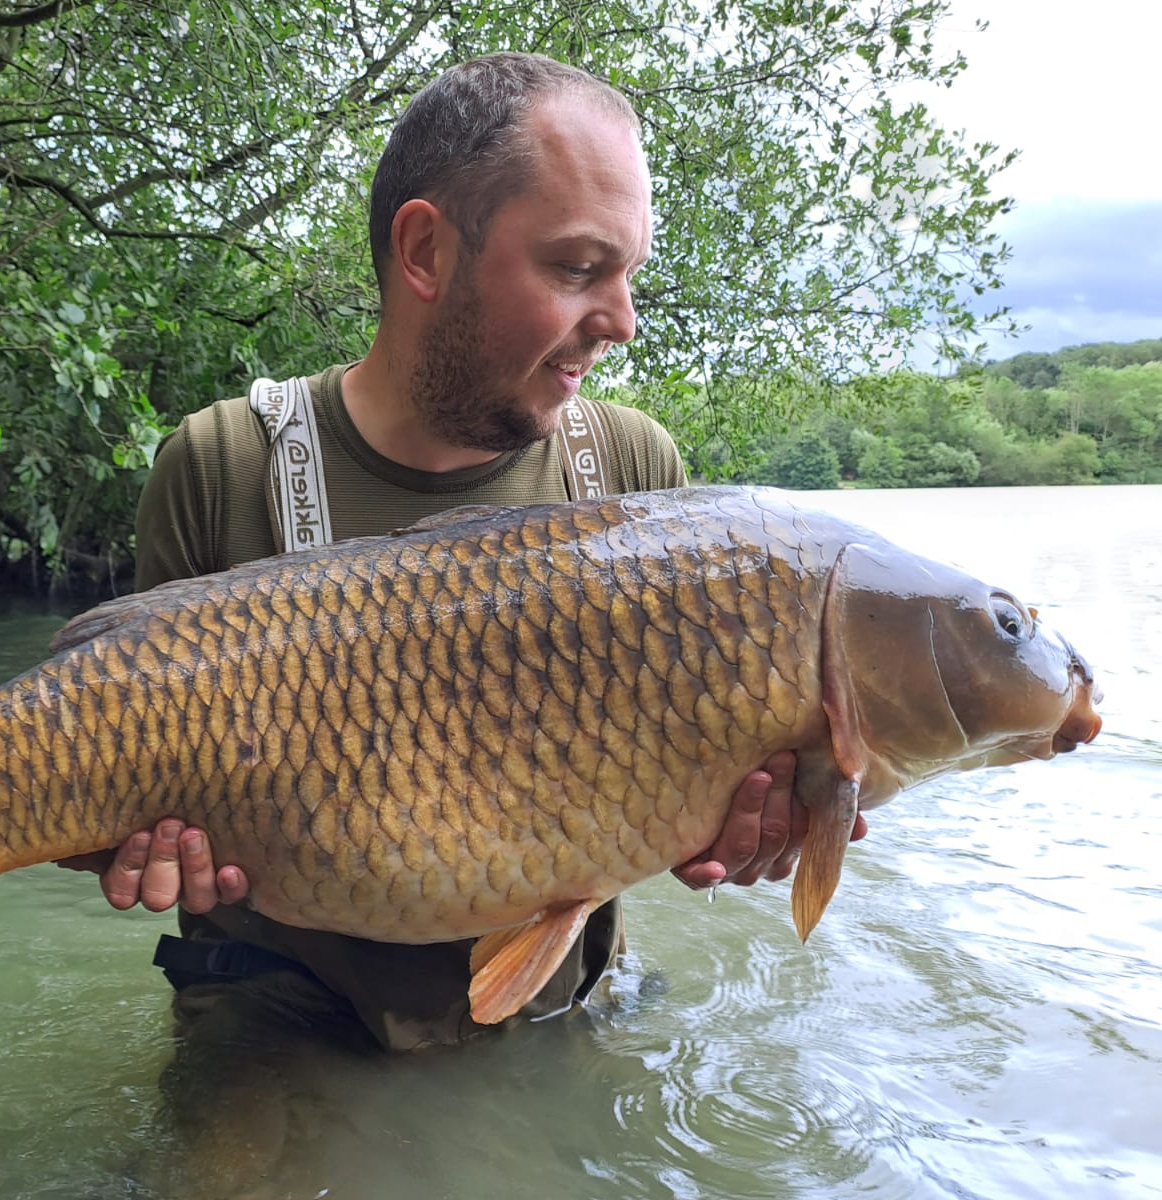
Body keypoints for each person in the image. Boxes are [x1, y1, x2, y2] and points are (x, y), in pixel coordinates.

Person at [93, 49, 865, 1070]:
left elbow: (675, 809)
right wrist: (135, 848)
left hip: (559, 996)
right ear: (425, 251)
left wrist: (743, 833)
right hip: (277, 1012)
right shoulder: (223, 464)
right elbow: (113, 792)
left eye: (628, 274)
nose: (622, 321)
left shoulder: (636, 473)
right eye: (578, 269)